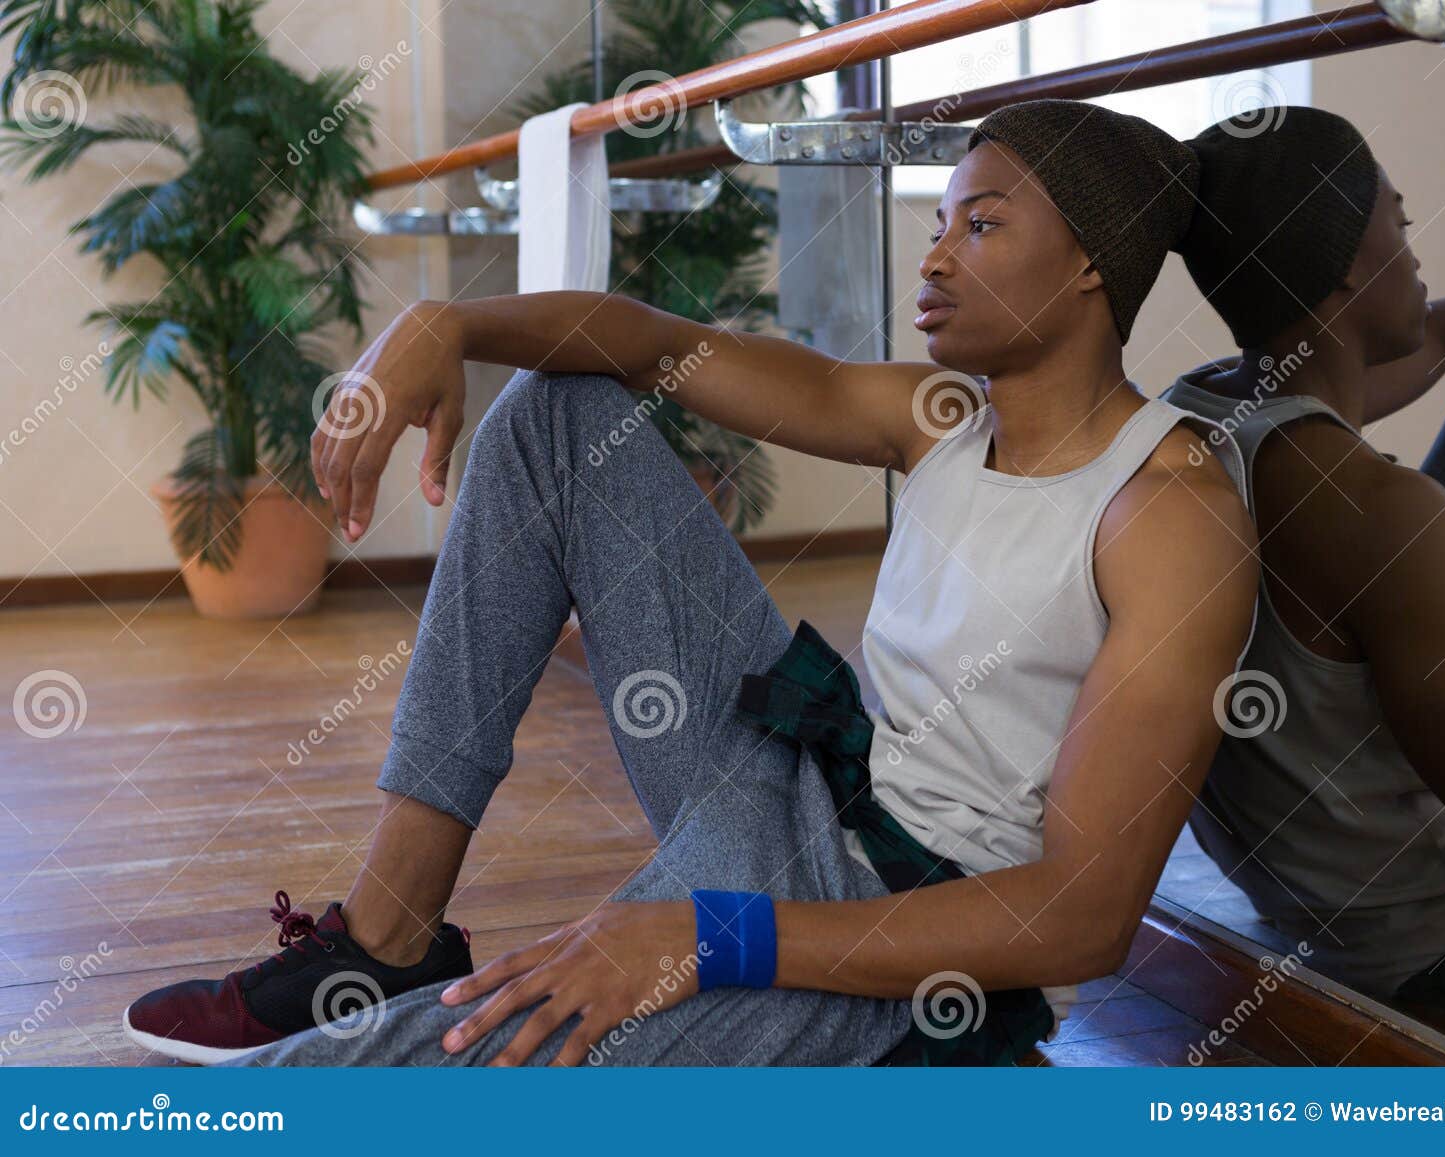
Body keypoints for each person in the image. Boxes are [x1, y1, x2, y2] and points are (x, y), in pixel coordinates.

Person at [123, 99, 1258, 1067]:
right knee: (557, 411)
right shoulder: (941, 418)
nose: (936, 253)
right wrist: (444, 325)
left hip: (908, 941)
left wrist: (705, 935)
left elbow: (1080, 917)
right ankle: (390, 930)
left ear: (1090, 265)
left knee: (393, 1080)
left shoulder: (1167, 517)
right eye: (942, 217)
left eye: (983, 222)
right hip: (806, 784)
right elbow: (646, 340)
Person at [1161, 105, 1445, 1020]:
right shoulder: (1382, 516)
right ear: (1353, 266)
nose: (1415, 251)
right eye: (1400, 225)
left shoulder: (1198, 410)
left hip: (1404, 748)